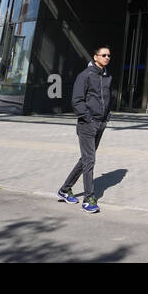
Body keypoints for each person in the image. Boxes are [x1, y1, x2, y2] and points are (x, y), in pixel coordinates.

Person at [56, 45, 112, 214]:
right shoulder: (85, 75)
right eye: (103, 55)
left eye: (109, 55)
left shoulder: (107, 76)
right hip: (87, 124)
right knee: (90, 160)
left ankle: (65, 190)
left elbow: (108, 98)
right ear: (95, 57)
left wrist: (106, 118)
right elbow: (77, 100)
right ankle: (88, 199)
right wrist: (88, 118)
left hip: (101, 123)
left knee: (85, 159)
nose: (107, 57)